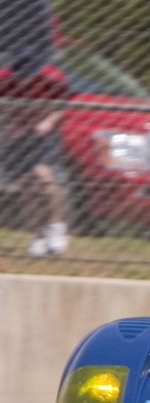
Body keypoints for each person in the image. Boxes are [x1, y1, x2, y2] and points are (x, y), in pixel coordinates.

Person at [0, 46, 71, 257]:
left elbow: (62, 104)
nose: (25, 81)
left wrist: (49, 121)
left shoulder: (52, 77)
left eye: (29, 76)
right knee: (26, 184)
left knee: (43, 173)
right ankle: (37, 236)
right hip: (18, 132)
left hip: (44, 132)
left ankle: (57, 226)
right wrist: (11, 124)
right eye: (21, 76)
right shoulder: (4, 79)